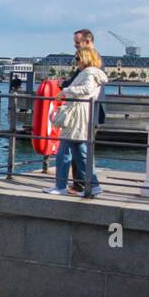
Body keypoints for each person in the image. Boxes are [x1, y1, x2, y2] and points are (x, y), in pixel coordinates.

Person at [49, 45, 108, 197]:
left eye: (77, 58)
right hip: (80, 115)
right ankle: (93, 186)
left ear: (85, 58)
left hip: (77, 115)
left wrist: (65, 91)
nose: (75, 61)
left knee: (66, 152)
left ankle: (62, 186)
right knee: (80, 153)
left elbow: (86, 89)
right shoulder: (92, 73)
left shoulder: (89, 73)